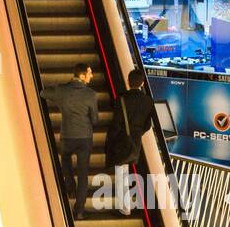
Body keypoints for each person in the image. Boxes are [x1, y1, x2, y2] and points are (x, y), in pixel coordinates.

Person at [46, 63, 97, 218]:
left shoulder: (61, 90)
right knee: (83, 173)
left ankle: (70, 188)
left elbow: (43, 93)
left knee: (65, 161)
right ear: (81, 76)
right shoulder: (91, 94)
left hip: (67, 135)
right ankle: (79, 210)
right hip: (84, 138)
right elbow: (95, 119)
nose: (92, 76)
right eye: (89, 73)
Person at [105, 68, 154, 215]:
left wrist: (110, 139)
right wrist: (137, 133)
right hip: (135, 140)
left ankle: (125, 207)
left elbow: (117, 122)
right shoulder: (147, 100)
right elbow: (148, 125)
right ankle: (126, 206)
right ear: (142, 83)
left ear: (128, 81)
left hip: (121, 139)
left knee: (121, 173)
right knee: (125, 171)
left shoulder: (121, 98)